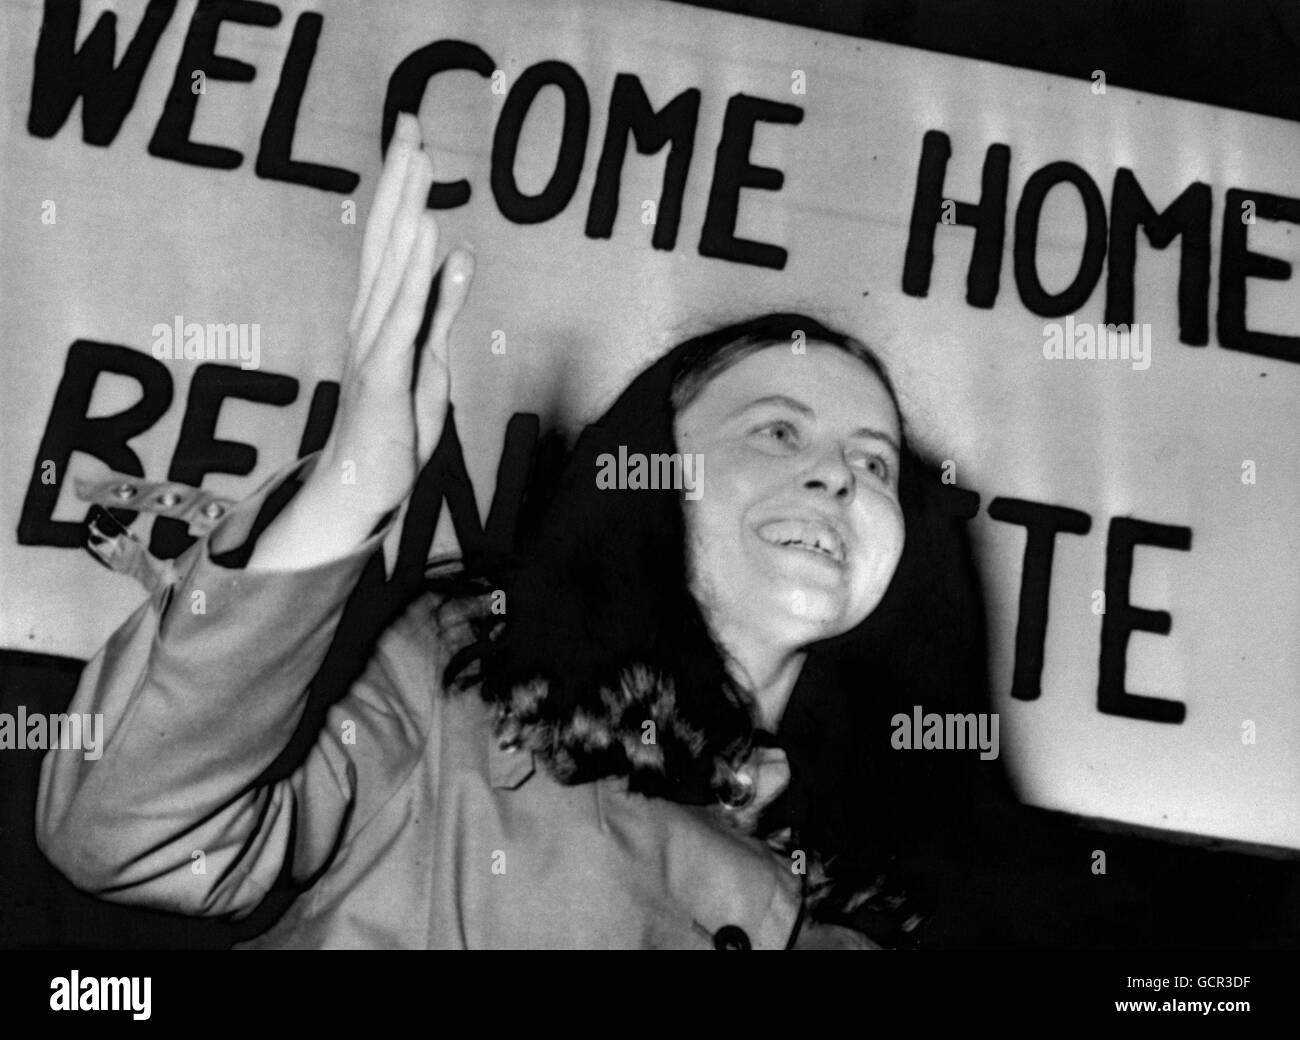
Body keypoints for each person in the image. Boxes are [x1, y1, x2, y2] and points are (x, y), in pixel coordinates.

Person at [36, 113, 911, 950]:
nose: (840, 475)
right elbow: (126, 835)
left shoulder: (864, 897)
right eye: (778, 431)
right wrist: (348, 490)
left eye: (877, 464)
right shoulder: (451, 688)